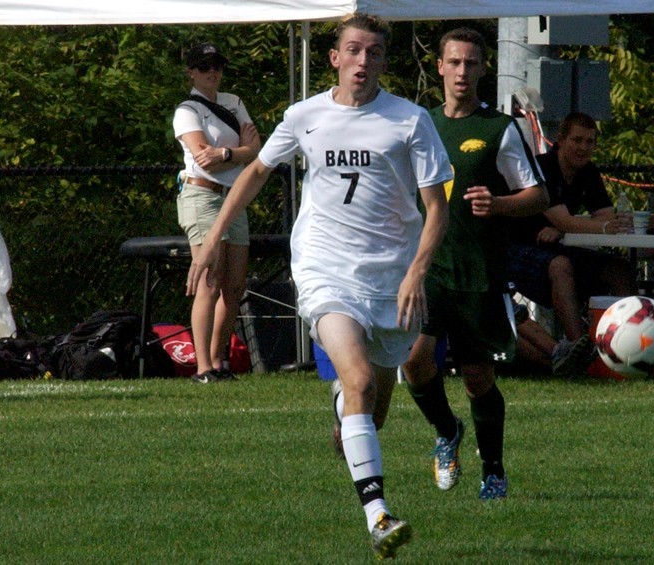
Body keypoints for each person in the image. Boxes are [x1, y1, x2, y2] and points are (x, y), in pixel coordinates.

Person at [186, 15, 451, 559]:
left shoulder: (410, 120)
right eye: (352, 50)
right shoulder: (305, 116)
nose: (361, 61)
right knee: (357, 377)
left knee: (372, 396)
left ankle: (347, 416)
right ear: (334, 58)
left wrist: (417, 271)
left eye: (373, 53)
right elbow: (257, 170)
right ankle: (378, 514)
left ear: (382, 62)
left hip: (391, 278)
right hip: (325, 268)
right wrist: (213, 237)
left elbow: (436, 208)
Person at [399, 27, 549, 501]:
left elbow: (540, 195)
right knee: (413, 358)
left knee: (477, 376)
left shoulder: (499, 129)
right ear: (439, 67)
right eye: (455, 63)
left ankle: (495, 473)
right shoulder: (419, 124)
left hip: (477, 271)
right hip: (427, 268)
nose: (463, 72)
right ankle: (446, 431)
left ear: (484, 68)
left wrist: (500, 205)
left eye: (472, 63)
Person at [508, 112, 632, 376]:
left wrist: (565, 227)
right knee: (560, 265)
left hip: (555, 247)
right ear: (559, 140)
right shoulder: (542, 167)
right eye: (577, 140)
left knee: (620, 269)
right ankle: (579, 351)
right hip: (514, 249)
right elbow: (571, 221)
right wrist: (571, 225)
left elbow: (603, 216)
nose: (583, 148)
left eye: (590, 142)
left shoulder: (588, 172)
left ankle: (626, 347)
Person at [173, 42, 261, 383]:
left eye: (217, 66)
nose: (213, 72)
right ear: (192, 72)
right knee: (209, 282)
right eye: (205, 66)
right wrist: (237, 151)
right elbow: (201, 156)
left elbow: (255, 149)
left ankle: (220, 361)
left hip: (233, 196)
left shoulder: (233, 102)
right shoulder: (186, 110)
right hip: (202, 195)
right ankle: (203, 367)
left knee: (234, 286)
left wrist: (227, 154)